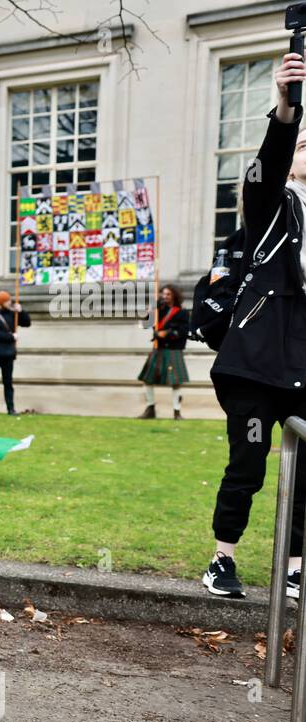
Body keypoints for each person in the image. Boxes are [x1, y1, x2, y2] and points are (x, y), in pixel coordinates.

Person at [204, 51, 306, 600]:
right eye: (304, 146)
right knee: (249, 462)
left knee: (305, 474)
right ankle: (223, 561)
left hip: (302, 365)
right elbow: (267, 164)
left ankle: (292, 566)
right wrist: (286, 111)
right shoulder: (273, 203)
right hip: (255, 364)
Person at [136, 284, 189, 420]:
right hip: (157, 349)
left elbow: (183, 332)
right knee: (148, 379)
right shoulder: (158, 310)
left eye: (168, 294)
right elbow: (144, 325)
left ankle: (177, 411)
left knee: (175, 381)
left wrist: (168, 333)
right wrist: (149, 312)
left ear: (174, 296)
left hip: (172, 350)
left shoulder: (182, 313)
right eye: (163, 294)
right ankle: (150, 408)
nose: (165, 297)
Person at [0, 289, 27, 415]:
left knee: (8, 383)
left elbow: (27, 323)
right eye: (7, 300)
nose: (10, 302)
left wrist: (21, 312)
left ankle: (11, 408)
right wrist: (11, 337)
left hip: (8, 354)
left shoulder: (12, 314)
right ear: (1, 302)